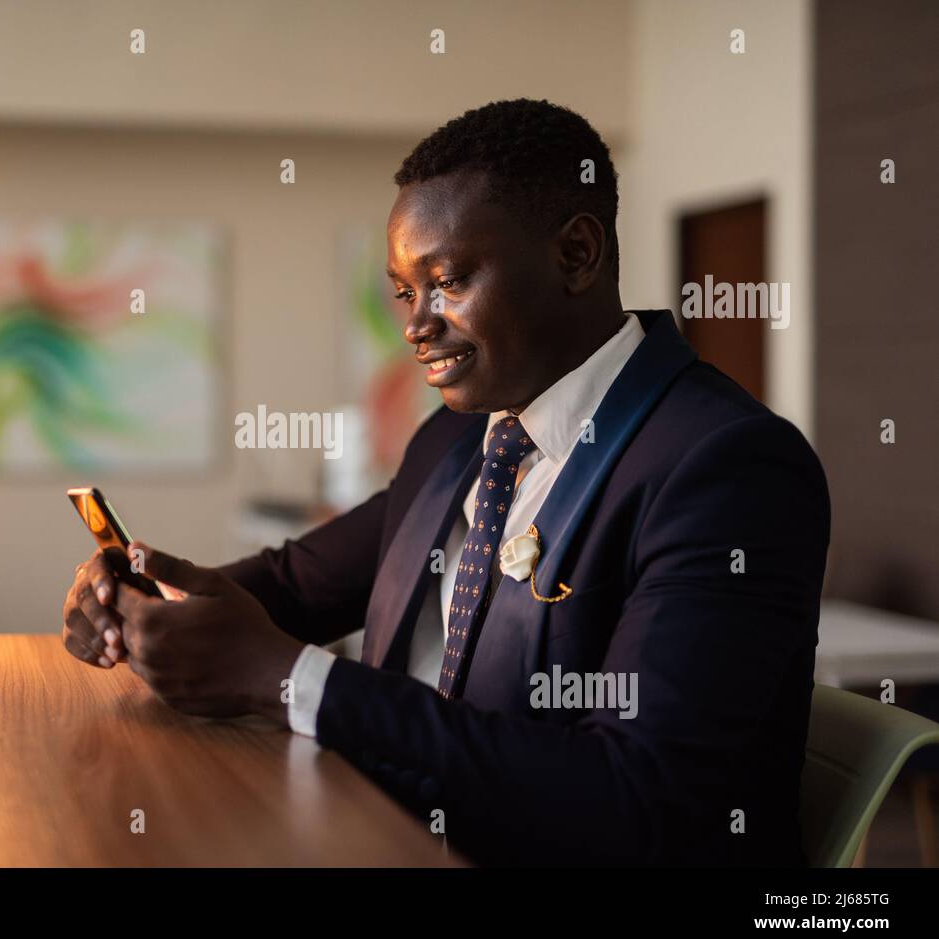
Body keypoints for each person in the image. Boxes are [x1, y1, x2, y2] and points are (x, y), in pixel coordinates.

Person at [62, 99, 830, 866]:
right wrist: (141, 603)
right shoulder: (457, 437)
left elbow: (637, 798)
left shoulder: (728, 466)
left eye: (449, 279)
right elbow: (295, 583)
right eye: (405, 290)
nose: (415, 323)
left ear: (576, 254)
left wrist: (295, 678)